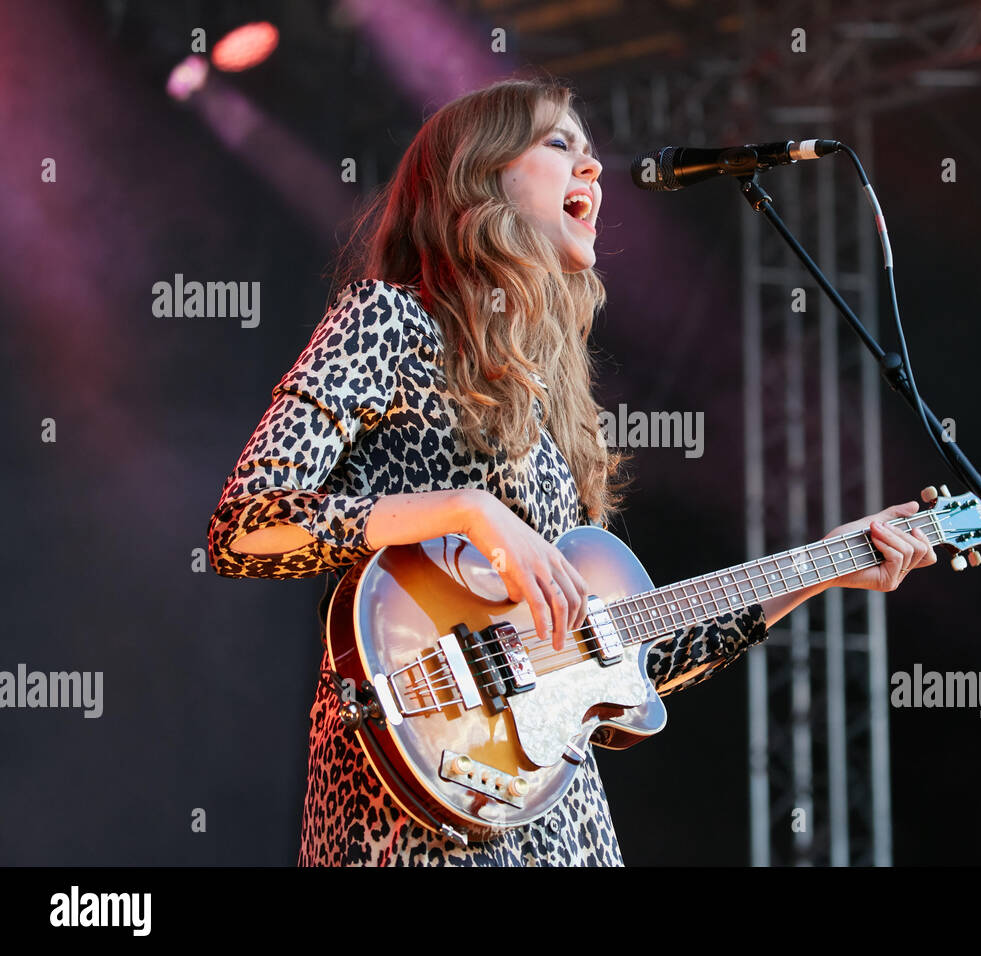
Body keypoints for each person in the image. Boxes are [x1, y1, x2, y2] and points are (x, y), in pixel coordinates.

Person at [206, 77, 936, 866]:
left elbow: (621, 663)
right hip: (414, 789)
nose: (592, 170)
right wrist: (466, 511)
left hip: (559, 819)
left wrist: (827, 564)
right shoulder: (389, 318)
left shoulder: (546, 391)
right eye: (560, 146)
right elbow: (245, 527)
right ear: (477, 177)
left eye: (592, 153)